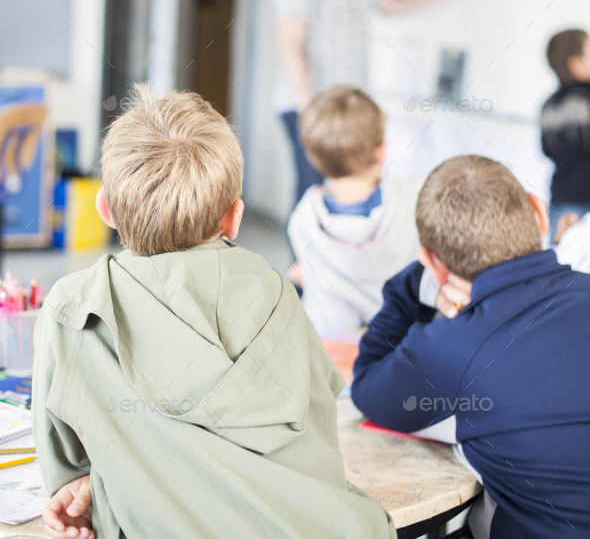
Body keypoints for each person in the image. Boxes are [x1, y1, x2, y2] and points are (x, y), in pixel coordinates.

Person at [33, 85, 396, 539]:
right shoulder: (276, 290)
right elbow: (318, 431)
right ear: (234, 216)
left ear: (104, 208)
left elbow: (68, 463)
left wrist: (88, 483)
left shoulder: (72, 309)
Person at [351, 155, 590, 539]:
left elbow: (368, 390)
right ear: (539, 214)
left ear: (433, 262)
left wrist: (410, 287)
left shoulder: (452, 345)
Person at [275, 0, 457, 206]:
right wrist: (311, 111)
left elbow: (388, 4)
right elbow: (290, 47)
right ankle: (303, 257)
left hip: (345, 105)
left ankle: (336, 254)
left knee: (345, 189)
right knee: (312, 190)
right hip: (311, 106)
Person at [287, 85, 422, 331]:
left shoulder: (303, 218)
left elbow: (309, 271)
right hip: (393, 340)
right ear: (380, 151)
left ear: (311, 155)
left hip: (326, 342)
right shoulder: (411, 202)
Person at [541, 28, 590, 241]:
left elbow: (547, 150)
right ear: (575, 64)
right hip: (586, 202)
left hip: (560, 199)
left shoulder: (549, 105)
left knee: (565, 266)